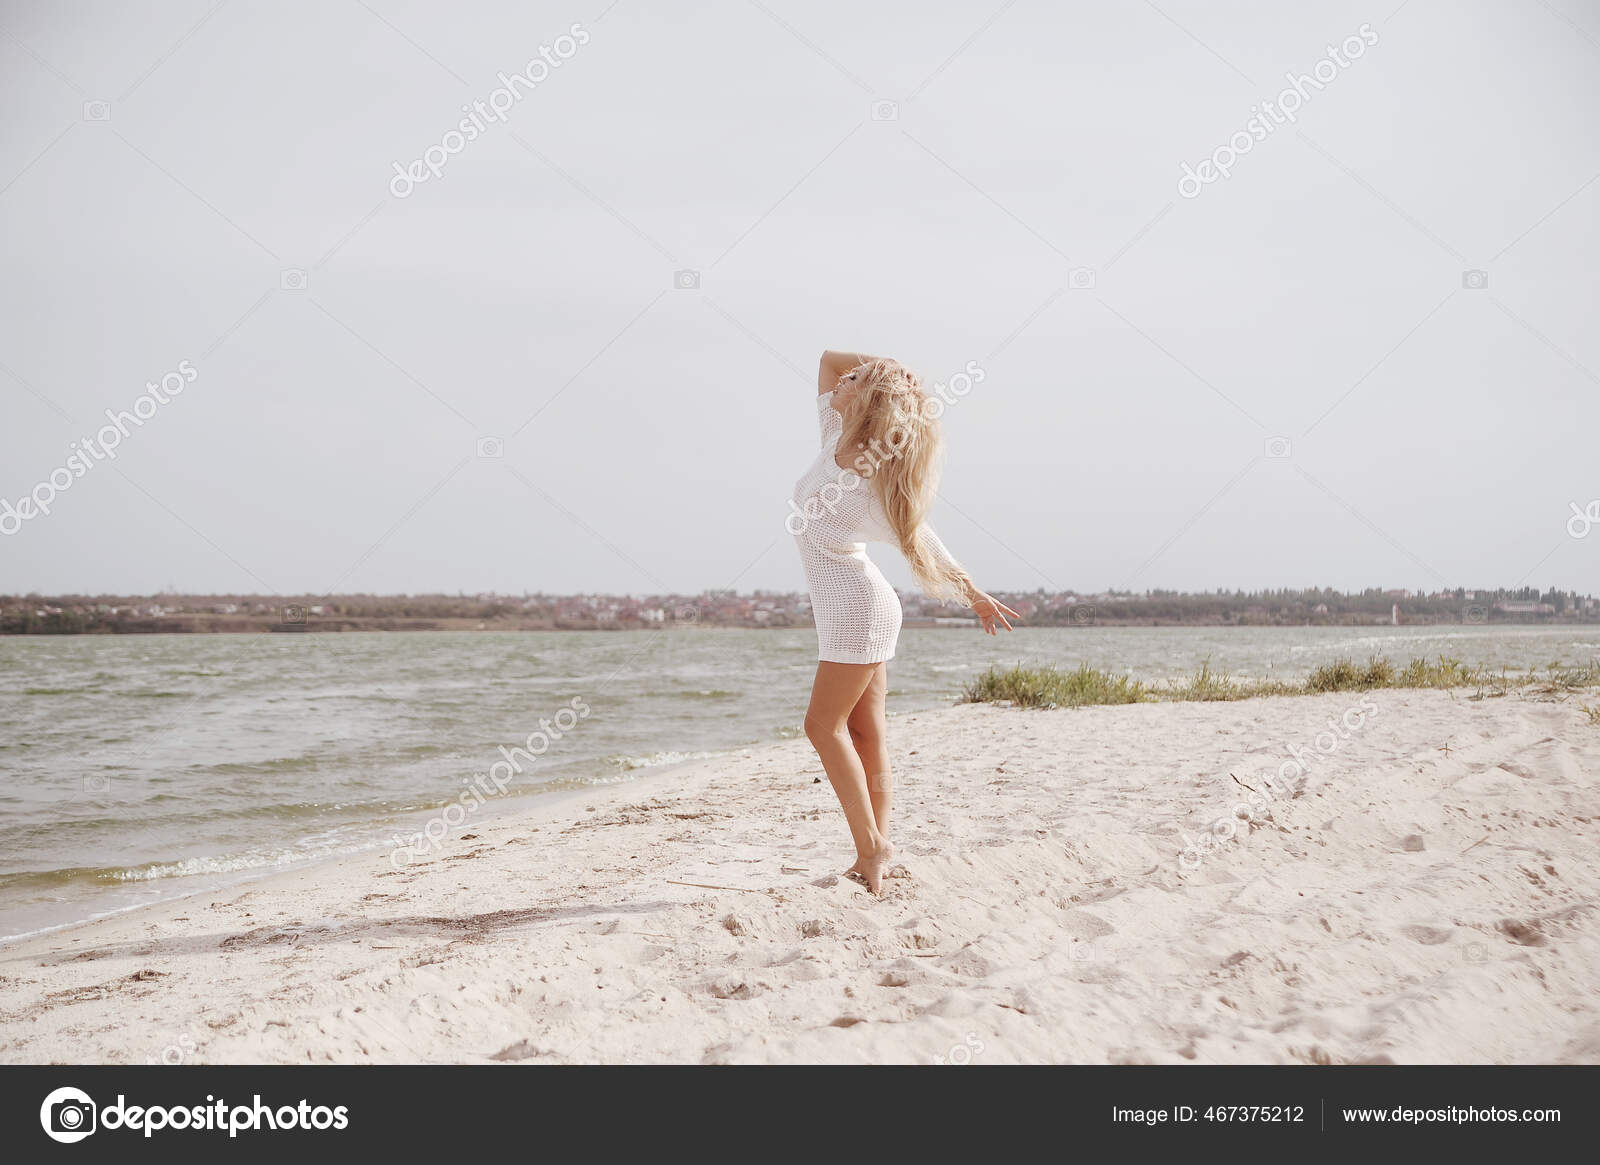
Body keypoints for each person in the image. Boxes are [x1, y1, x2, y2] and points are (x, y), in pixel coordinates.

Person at [791, 350, 1017, 895]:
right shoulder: (835, 435)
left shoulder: (868, 476)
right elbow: (825, 359)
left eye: (856, 380)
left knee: (822, 727)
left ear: (867, 400)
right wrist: (889, 365)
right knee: (866, 733)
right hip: (851, 603)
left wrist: (971, 592)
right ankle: (876, 855)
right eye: (850, 379)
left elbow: (919, 539)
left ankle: (872, 846)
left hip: (857, 609)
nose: (842, 380)